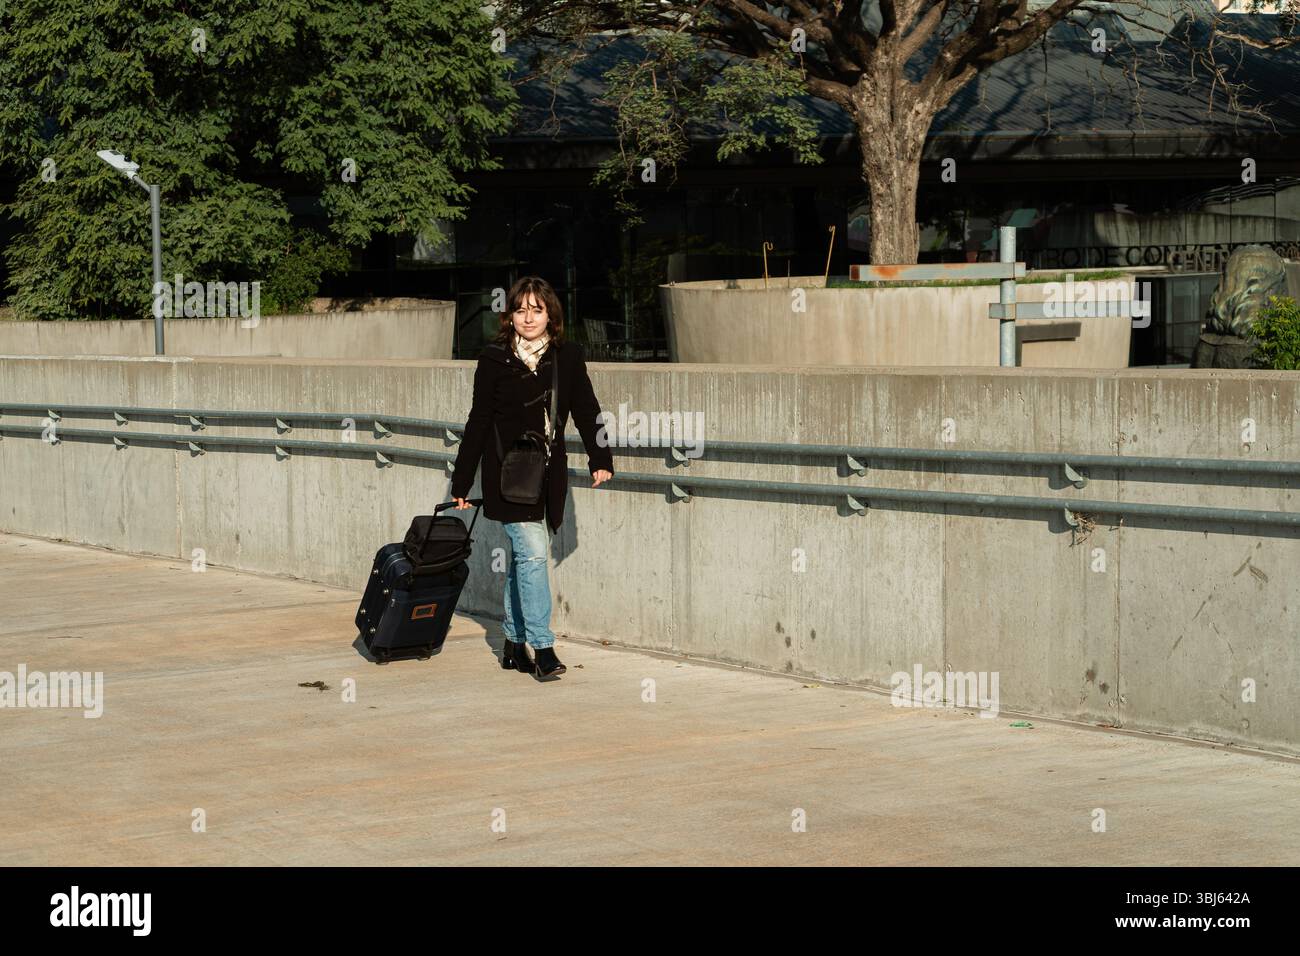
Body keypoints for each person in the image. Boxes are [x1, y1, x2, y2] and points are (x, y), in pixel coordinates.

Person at [449, 276, 614, 680]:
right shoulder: (493, 358)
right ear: (510, 315)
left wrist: (600, 458)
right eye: (521, 309)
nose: (528, 317)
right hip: (507, 473)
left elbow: (588, 410)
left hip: (548, 475)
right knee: (535, 552)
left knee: (525, 559)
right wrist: (462, 480)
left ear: (550, 315)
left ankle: (511, 643)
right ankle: (542, 647)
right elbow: (478, 421)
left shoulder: (568, 356)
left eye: (536, 310)